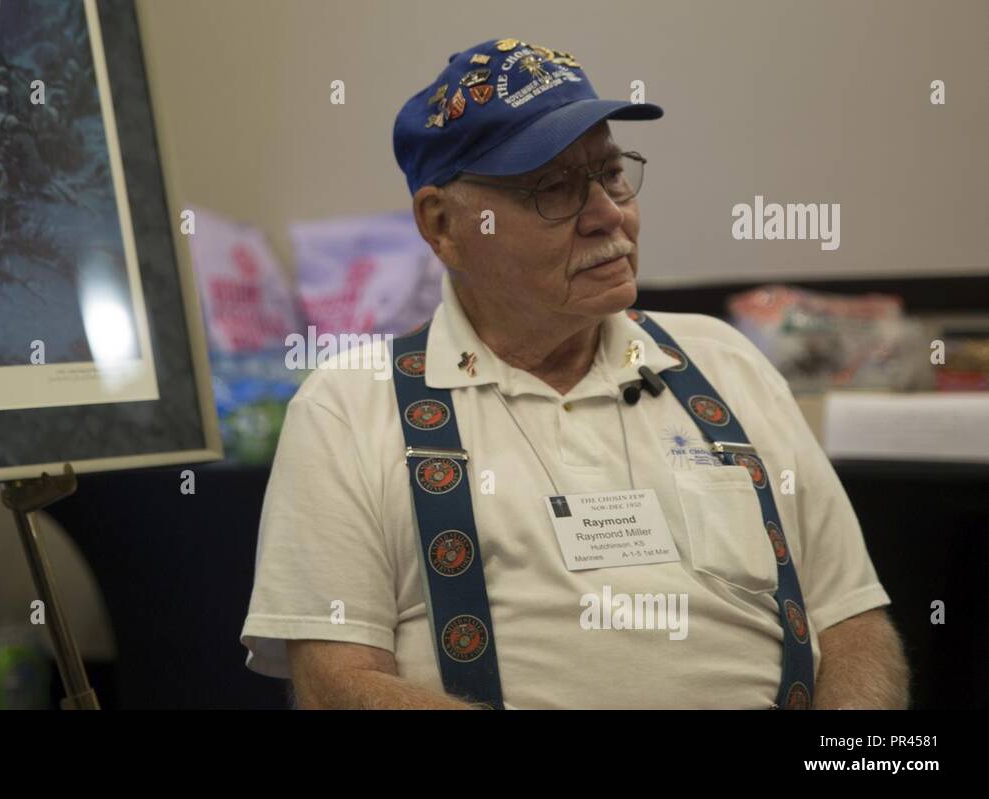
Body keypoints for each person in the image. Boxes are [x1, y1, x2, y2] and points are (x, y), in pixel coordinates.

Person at [240, 38, 908, 710]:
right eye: (554, 189)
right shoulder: (350, 406)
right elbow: (336, 685)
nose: (608, 215)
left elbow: (852, 624)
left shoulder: (725, 361)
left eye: (612, 174)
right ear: (442, 225)